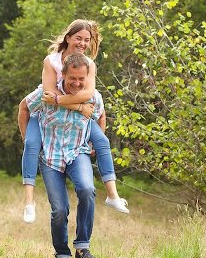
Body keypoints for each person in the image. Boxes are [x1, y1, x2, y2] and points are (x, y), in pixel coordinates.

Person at [21, 19, 129, 224]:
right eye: (78, 38)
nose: (82, 43)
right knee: (31, 144)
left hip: (78, 118)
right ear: (68, 37)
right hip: (48, 111)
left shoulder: (88, 64)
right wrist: (78, 106)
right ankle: (28, 201)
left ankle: (113, 195)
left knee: (103, 142)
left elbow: (88, 93)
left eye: (87, 40)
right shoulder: (52, 61)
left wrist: (76, 105)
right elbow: (49, 95)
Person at [18, 53, 105, 258]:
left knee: (87, 189)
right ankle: (62, 252)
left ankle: (83, 246)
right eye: (72, 78)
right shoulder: (46, 94)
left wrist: (96, 140)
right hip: (50, 155)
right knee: (59, 209)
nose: (76, 83)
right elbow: (23, 107)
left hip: (78, 152)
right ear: (63, 75)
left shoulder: (93, 97)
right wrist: (27, 139)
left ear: (87, 77)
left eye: (81, 79)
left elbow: (101, 115)